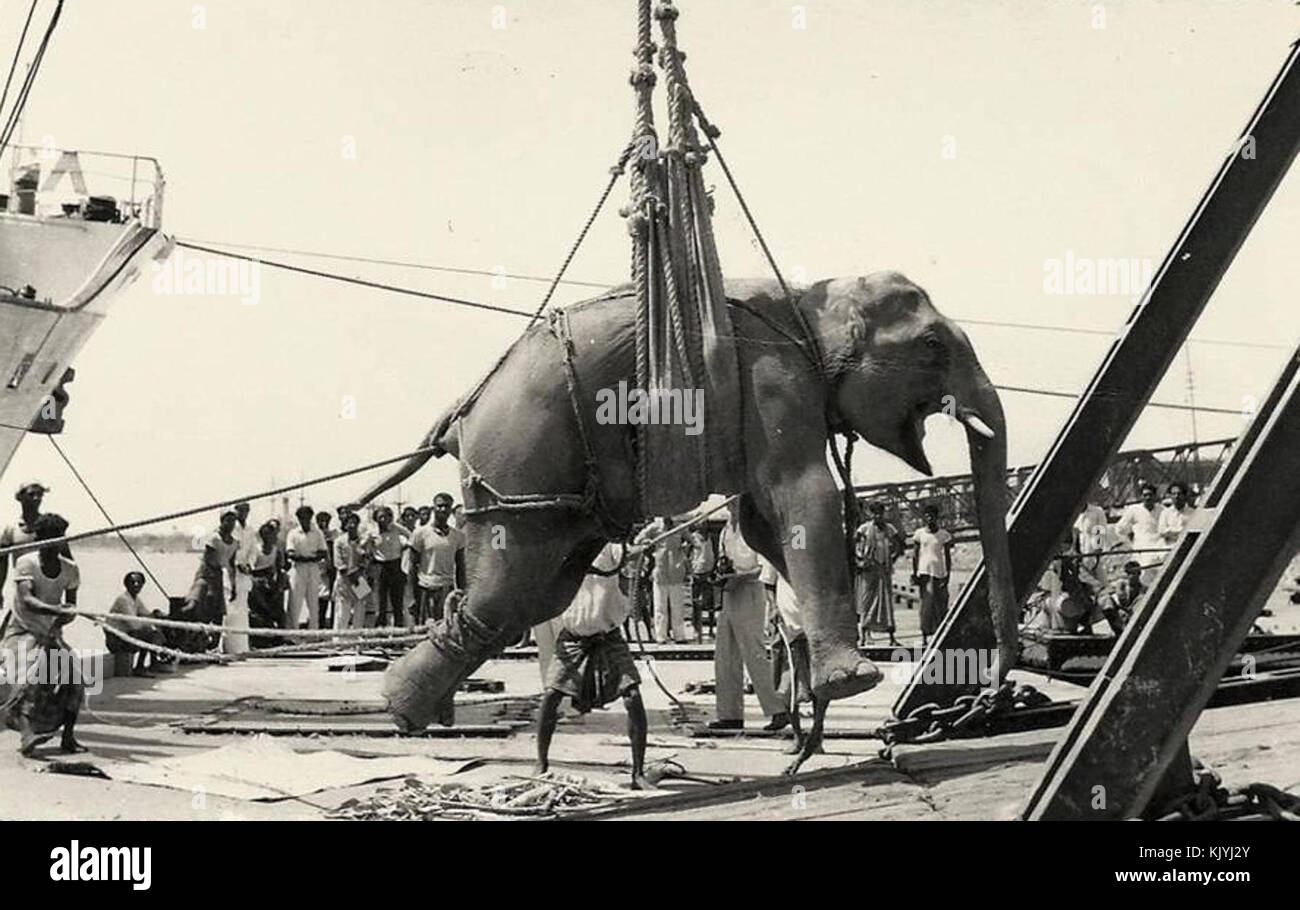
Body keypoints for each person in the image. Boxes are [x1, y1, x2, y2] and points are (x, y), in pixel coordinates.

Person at [535, 542, 656, 788]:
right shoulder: (565, 545)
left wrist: (642, 549)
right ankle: (541, 763)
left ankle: (638, 773)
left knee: (633, 696)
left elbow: (629, 554)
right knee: (551, 696)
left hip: (608, 636)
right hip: (572, 638)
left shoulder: (610, 547)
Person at [0, 513, 86, 756]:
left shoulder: (70, 570)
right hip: (22, 631)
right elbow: (27, 600)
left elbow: (72, 608)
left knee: (76, 681)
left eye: (59, 537)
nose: (55, 542)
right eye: (49, 537)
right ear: (38, 538)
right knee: (31, 678)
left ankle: (68, 737)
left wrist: (65, 616)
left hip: (50, 634)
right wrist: (55, 609)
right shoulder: (26, 563)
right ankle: (27, 735)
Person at [709, 503, 789, 731]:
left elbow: (763, 568)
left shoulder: (753, 528)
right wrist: (721, 576)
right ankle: (730, 714)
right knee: (726, 654)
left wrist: (740, 577)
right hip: (730, 591)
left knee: (754, 652)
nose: (731, 505)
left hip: (750, 590)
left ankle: (778, 709)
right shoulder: (726, 529)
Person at [762, 560, 814, 755]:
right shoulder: (773, 550)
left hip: (811, 625)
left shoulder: (810, 550)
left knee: (817, 686)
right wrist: (774, 608)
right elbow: (768, 582)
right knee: (785, 687)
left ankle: (817, 736)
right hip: (785, 627)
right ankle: (798, 737)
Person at [181, 511, 239, 651]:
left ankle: (212, 645)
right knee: (199, 604)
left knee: (219, 612)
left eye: (233, 521)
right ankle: (189, 637)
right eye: (227, 520)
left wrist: (234, 586)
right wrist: (213, 585)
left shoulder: (235, 543)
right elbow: (209, 560)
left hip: (219, 576)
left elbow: (231, 565)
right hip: (206, 574)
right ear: (222, 521)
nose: (230, 524)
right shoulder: (214, 538)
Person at [409, 493, 466, 625]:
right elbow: (412, 566)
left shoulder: (458, 536)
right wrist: (412, 597)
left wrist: (461, 593)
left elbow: (460, 567)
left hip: (447, 589)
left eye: (446, 506)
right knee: (425, 629)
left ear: (451, 510)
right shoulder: (420, 534)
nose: (442, 509)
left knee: (447, 628)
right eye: (439, 506)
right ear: (433, 508)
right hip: (426, 589)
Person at [854, 501, 904, 647]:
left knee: (886, 603)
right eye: (875, 513)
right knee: (867, 602)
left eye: (880, 513)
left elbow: (899, 544)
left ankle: (891, 638)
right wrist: (861, 559)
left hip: (884, 569)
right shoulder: (864, 529)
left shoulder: (889, 528)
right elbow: (856, 545)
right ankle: (865, 636)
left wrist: (892, 558)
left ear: (883, 513)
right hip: (869, 570)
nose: (877, 516)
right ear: (871, 514)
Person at [105, 571, 165, 676]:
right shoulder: (123, 600)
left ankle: (154, 662)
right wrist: (151, 627)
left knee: (154, 630)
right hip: (116, 640)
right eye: (133, 582)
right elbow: (133, 625)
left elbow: (146, 614)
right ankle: (140, 667)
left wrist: (157, 614)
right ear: (126, 584)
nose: (136, 585)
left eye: (139, 582)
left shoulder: (136, 599)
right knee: (149, 633)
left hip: (126, 637)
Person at [910, 505, 954, 646]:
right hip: (924, 572)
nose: (930, 518)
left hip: (939, 573)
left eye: (932, 515)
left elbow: (947, 557)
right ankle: (924, 636)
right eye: (927, 515)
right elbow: (915, 555)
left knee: (941, 604)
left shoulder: (944, 535)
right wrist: (914, 572)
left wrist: (948, 574)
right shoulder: (919, 534)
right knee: (926, 605)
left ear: (936, 517)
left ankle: (940, 635)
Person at [642, 519, 688, 642]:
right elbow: (638, 540)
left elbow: (695, 542)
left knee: (677, 607)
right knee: (660, 608)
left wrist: (685, 551)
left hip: (676, 573)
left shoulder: (680, 527)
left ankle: (680, 636)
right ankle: (661, 636)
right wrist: (646, 543)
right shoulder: (655, 528)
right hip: (660, 573)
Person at [285, 505, 328, 630]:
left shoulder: (317, 533)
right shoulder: (293, 533)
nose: (304, 519)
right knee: (295, 602)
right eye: (301, 517)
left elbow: (323, 552)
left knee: (313, 602)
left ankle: (313, 632)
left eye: (307, 517)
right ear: (298, 518)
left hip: (313, 569)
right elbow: (290, 553)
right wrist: (308, 557)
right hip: (298, 569)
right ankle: (293, 633)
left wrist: (308, 557)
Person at [1115, 482, 1164, 586]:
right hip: (1141, 550)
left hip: (1159, 549)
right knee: (1143, 577)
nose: (1147, 497)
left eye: (1150, 495)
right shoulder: (1134, 510)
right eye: (1145, 495)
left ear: (1155, 496)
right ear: (1141, 496)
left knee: (1160, 578)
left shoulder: (1162, 510)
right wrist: (1129, 543)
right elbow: (1119, 529)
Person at [246, 521, 286, 647]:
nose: (273, 538)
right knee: (260, 612)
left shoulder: (276, 551)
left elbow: (280, 569)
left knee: (279, 612)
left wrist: (278, 588)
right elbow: (250, 570)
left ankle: (280, 639)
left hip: (270, 583)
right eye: (270, 535)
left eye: (274, 535)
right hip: (256, 584)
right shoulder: (256, 550)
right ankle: (260, 640)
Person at [366, 506, 407, 627]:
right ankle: (380, 635)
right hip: (380, 567)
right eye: (380, 517)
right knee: (380, 603)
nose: (383, 519)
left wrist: (404, 547)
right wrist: (369, 545)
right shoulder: (372, 532)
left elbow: (412, 536)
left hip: (395, 565)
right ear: (376, 519)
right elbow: (360, 546)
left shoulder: (396, 528)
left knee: (397, 603)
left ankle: (399, 637)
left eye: (386, 516)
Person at [332, 512, 369, 631]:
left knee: (360, 609)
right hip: (344, 579)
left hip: (360, 577)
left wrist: (358, 574)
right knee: (343, 611)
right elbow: (339, 563)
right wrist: (350, 575)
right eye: (350, 523)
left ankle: (357, 639)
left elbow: (366, 559)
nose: (352, 525)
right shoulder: (339, 541)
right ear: (345, 525)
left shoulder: (363, 541)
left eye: (355, 523)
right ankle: (339, 642)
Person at [225, 502, 254, 655]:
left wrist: (249, 565)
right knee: (231, 611)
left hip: (245, 574)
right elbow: (229, 552)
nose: (244, 513)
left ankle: (242, 647)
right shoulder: (231, 528)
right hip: (231, 573)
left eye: (246, 510)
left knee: (243, 611)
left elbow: (253, 551)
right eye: (241, 510)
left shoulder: (250, 530)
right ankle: (230, 647)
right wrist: (238, 564)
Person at [684, 526, 716, 643]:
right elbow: (686, 555)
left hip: (708, 572)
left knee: (710, 602)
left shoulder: (710, 537)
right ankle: (696, 628)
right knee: (695, 602)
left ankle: (711, 629)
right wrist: (690, 572)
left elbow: (714, 553)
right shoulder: (693, 538)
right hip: (697, 572)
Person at [1098, 560, 1145, 635]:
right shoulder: (1120, 585)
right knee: (1105, 600)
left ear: (1139, 574)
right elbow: (1113, 597)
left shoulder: (1144, 589)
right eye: (1128, 573)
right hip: (1120, 617)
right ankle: (1119, 631)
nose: (1130, 576)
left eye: (1133, 574)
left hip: (1134, 617)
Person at [316, 511, 339, 630]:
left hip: (337, 569)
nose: (323, 523)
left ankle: (334, 626)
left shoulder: (334, 535)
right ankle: (320, 626)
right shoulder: (315, 536)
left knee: (336, 597)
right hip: (323, 570)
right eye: (321, 521)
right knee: (323, 597)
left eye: (326, 521)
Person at [1158, 482, 1197, 548]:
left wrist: (1171, 531)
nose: (1176, 496)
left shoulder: (1193, 513)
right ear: (1170, 496)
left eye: (1179, 494)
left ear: (1184, 495)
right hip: (1170, 548)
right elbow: (1162, 532)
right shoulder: (1165, 513)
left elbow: (1193, 532)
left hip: (1187, 548)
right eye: (1173, 494)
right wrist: (1181, 532)